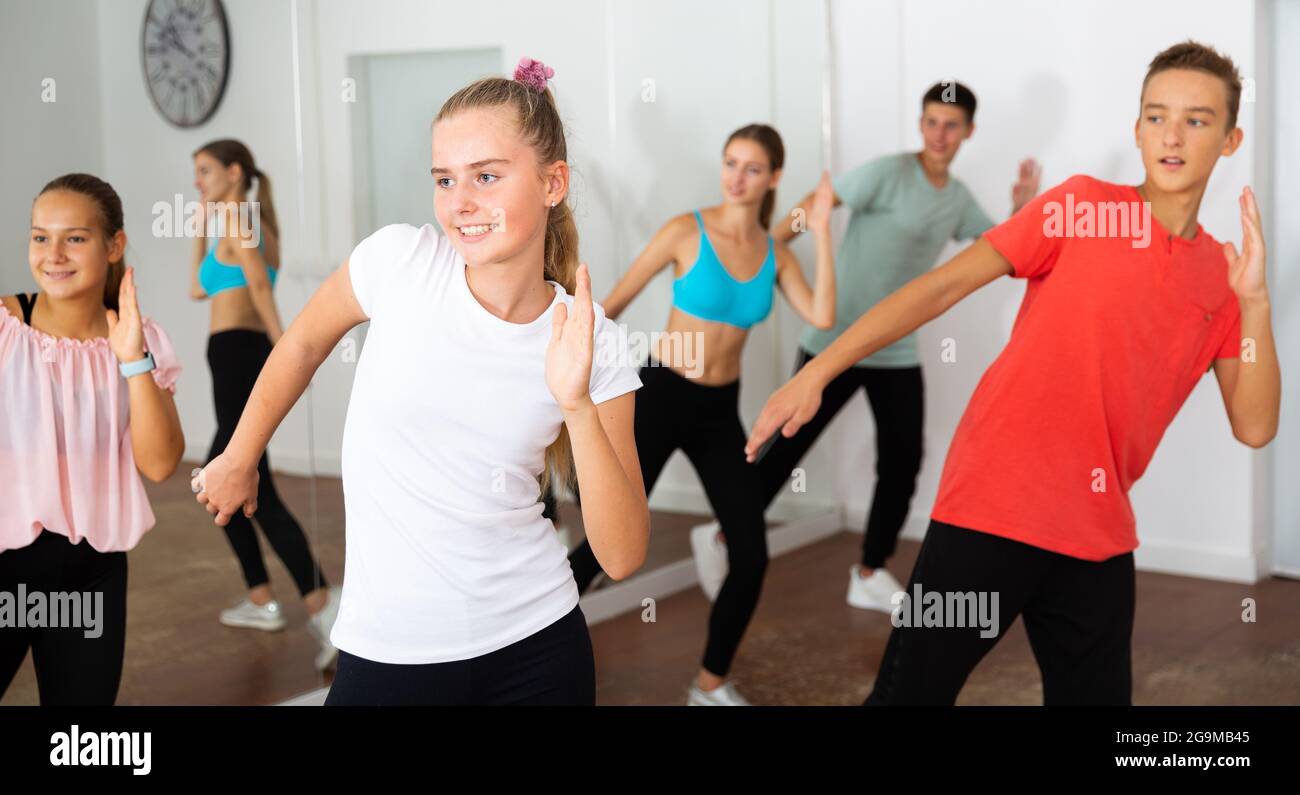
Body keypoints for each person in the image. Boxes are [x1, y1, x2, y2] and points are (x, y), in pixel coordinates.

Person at [744, 40, 1279, 705]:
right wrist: (817, 369)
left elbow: (1254, 425)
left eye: (1196, 120)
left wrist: (1254, 301)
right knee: (907, 697)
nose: (1171, 135)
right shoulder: (1079, 205)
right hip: (990, 509)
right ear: (1137, 127)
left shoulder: (1225, 282)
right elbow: (939, 288)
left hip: (1098, 535)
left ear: (1230, 139)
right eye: (1155, 115)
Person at [194, 57, 650, 706]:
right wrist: (240, 455)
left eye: (487, 176)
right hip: (388, 654)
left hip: (538, 648)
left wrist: (575, 401)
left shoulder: (591, 335)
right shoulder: (400, 261)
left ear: (554, 183)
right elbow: (302, 343)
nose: (459, 203)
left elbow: (624, 552)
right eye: (444, 179)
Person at [708, 81, 1040, 613]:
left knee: (903, 459)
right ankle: (726, 536)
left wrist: (1020, 212)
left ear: (968, 132)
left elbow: (999, 248)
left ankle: (869, 570)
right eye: (930, 121)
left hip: (896, 348)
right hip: (835, 339)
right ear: (920, 124)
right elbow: (817, 205)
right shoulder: (888, 173)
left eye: (951, 125)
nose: (938, 133)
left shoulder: (956, 200)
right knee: (786, 446)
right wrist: (767, 250)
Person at [561, 124, 836, 705]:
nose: (736, 177)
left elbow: (823, 313)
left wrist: (824, 230)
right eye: (730, 162)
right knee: (605, 548)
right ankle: (533, 643)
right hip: (661, 392)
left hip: (719, 411)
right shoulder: (686, 231)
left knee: (751, 553)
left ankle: (708, 684)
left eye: (752, 168)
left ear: (773, 178)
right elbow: (610, 306)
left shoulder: (776, 255)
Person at [0, 173, 185, 704]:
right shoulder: (7, 323)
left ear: (114, 245)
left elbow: (159, 464)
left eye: (74, 237)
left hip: (89, 574)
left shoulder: (139, 340)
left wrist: (131, 360)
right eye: (40, 237)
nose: (53, 254)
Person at [190, 139, 340, 672]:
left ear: (234, 173)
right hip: (236, 354)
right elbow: (196, 289)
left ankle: (320, 604)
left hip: (239, 351)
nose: (198, 182)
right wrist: (200, 229)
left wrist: (287, 349)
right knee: (235, 482)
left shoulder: (237, 216)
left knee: (239, 484)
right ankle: (267, 600)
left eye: (205, 171)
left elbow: (256, 282)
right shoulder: (249, 220)